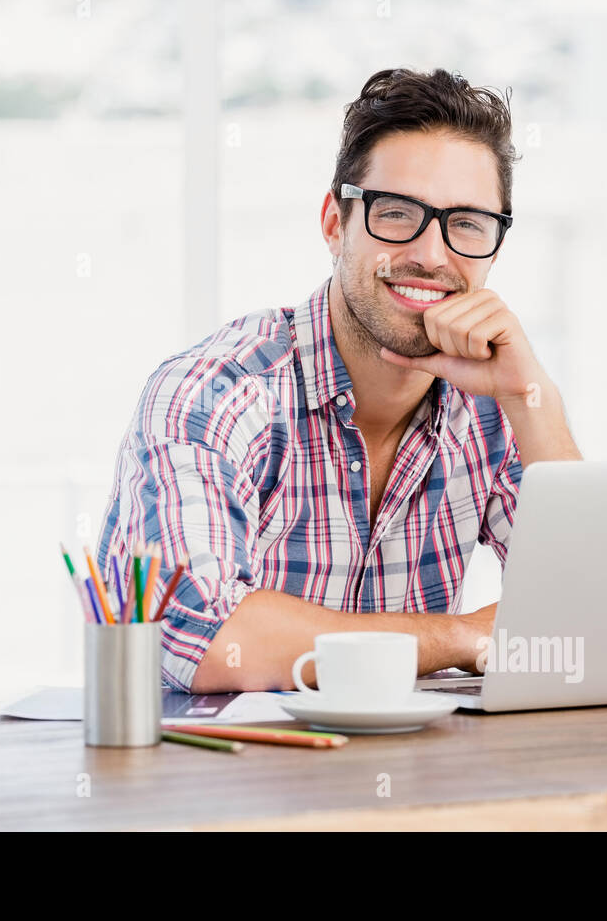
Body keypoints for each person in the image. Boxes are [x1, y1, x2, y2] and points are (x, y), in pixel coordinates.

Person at [97, 67, 582, 694]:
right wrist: (461, 637)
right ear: (335, 224)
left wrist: (528, 398)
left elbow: (593, 619)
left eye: (465, 223)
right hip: (226, 780)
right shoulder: (214, 393)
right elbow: (210, 639)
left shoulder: (492, 402)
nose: (432, 256)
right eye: (397, 212)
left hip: (421, 780)